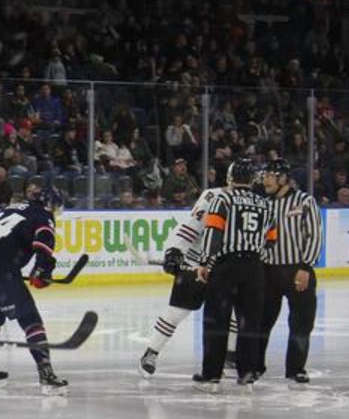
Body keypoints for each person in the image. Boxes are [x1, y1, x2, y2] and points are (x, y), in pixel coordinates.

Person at [0, 181, 69, 395]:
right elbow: (44, 242)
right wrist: (42, 270)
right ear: (50, 203)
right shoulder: (43, 215)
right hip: (0, 270)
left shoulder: (10, 209)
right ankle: (46, 374)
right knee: (30, 319)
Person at [194, 159, 278, 392]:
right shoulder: (265, 204)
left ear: (230, 178)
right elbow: (272, 239)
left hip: (226, 268)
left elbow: (213, 233)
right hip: (254, 269)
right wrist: (255, 254)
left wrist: (204, 262)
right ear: (252, 179)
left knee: (216, 321)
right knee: (249, 323)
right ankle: (246, 378)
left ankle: (211, 377)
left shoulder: (223, 199)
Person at [138, 185, 238, 377]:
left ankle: (230, 357)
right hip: (196, 261)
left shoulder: (252, 200)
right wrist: (175, 251)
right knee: (177, 312)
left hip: (226, 265)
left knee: (234, 310)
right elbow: (193, 225)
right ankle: (151, 352)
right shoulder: (213, 195)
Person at [255, 161, 322, 385]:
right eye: (264, 176)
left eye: (270, 175)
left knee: (301, 323)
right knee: (261, 321)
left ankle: (296, 368)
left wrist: (306, 267)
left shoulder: (304, 201)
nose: (265, 180)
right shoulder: (262, 203)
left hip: (297, 270)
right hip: (268, 271)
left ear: (283, 178)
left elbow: (314, 235)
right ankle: (255, 366)